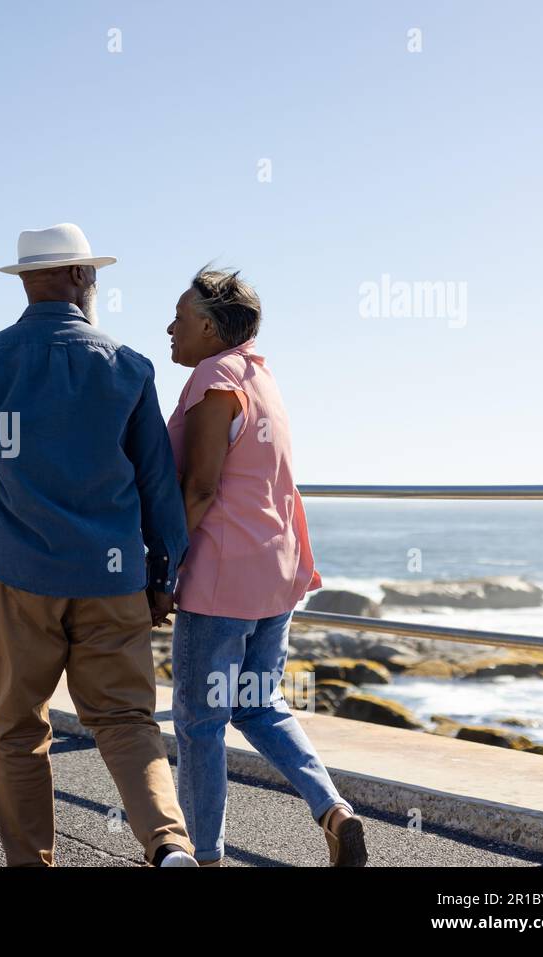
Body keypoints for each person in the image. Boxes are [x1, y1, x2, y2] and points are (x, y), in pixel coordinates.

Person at [0, 223, 196, 867]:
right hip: (114, 577)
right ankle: (169, 845)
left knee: (19, 731)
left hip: (21, 577)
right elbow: (158, 484)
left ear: (25, 281)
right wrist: (164, 576)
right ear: (81, 276)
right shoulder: (129, 367)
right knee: (127, 723)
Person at [164, 265, 367, 867]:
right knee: (257, 702)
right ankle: (332, 808)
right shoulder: (261, 376)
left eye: (179, 317)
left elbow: (198, 489)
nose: (169, 328)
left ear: (207, 325)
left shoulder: (215, 377)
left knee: (199, 722)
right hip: (275, 574)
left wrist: (163, 573)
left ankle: (203, 856)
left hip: (220, 580)